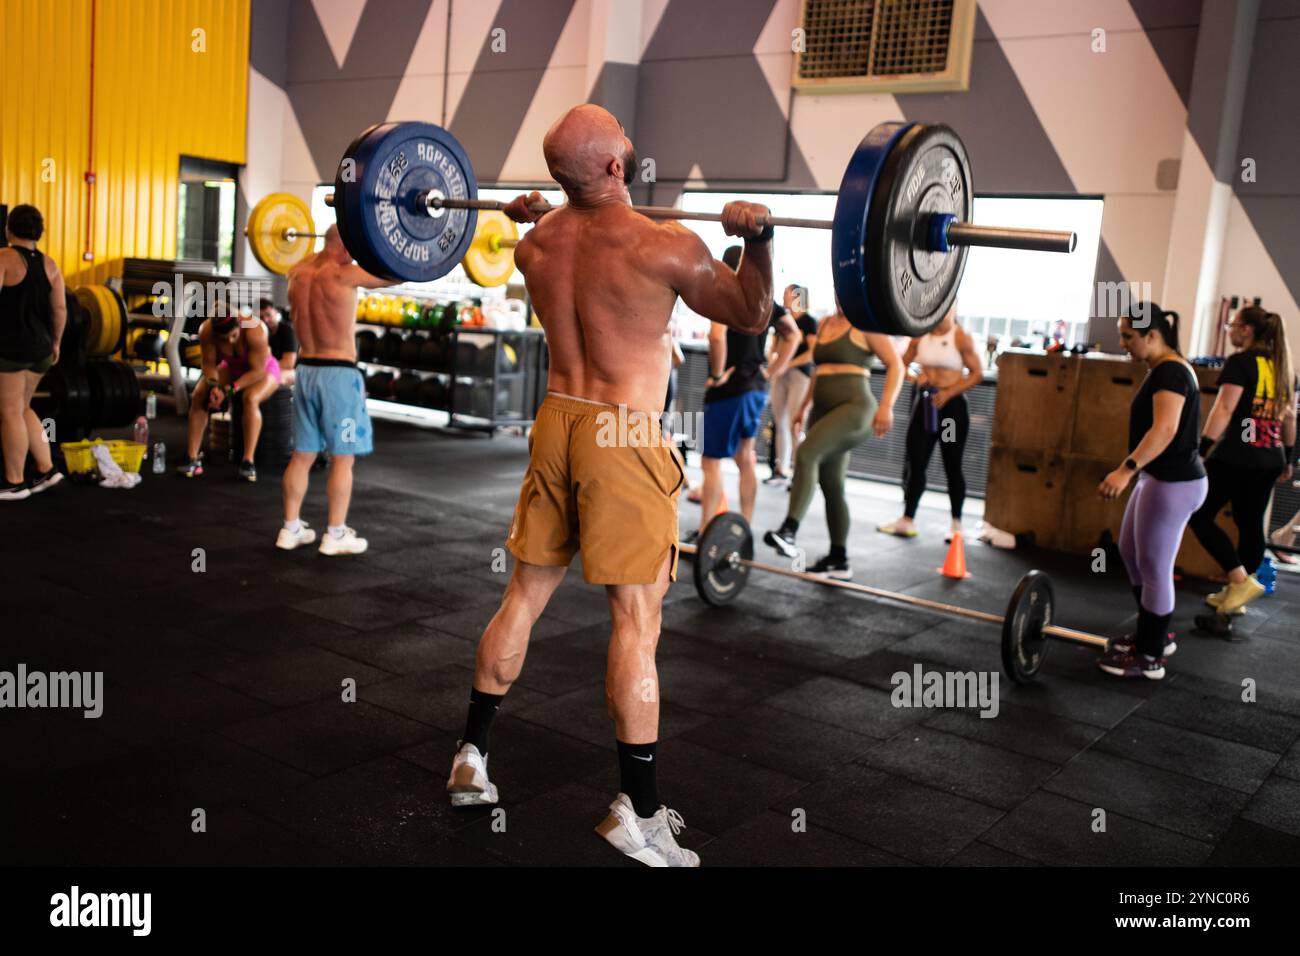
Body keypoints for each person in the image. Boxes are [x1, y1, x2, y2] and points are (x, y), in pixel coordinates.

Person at [445, 104, 773, 867]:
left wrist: (535, 211)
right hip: (624, 431)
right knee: (636, 622)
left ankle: (472, 754)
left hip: (557, 419)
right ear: (618, 169)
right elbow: (754, 311)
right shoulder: (666, 246)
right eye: (624, 142)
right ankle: (641, 812)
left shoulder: (536, 245)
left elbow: (550, 229)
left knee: (523, 594)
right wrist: (759, 239)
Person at [1096, 303, 1206, 680]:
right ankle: (1154, 634)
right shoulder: (1162, 369)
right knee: (1131, 553)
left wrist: (1125, 470)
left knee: (1156, 567)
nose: (1123, 343)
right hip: (1157, 478)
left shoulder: (1172, 372)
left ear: (1152, 336)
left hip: (1173, 482)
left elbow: (1165, 430)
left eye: (1128, 336)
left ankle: (1150, 657)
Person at [763, 304, 904, 578]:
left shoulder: (866, 322)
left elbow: (896, 365)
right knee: (832, 486)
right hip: (821, 410)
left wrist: (887, 405)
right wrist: (804, 407)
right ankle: (839, 559)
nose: (842, 297)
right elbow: (818, 370)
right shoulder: (825, 322)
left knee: (805, 454)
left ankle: (789, 530)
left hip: (855, 408)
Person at [278, 226, 388, 555]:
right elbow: (398, 276)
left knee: (302, 455)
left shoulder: (296, 272)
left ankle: (290, 528)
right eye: (354, 245)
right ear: (342, 243)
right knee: (343, 458)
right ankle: (336, 534)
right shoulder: (344, 274)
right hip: (338, 377)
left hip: (306, 371)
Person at [1189, 305, 1296, 613]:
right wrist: (1287, 458)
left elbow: (1224, 409)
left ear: (1247, 329)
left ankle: (1239, 583)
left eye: (1233, 325)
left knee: (1199, 514)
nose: (1231, 330)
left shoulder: (1241, 363)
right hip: (1270, 459)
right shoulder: (1283, 367)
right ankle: (1239, 592)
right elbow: (1289, 421)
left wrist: (1202, 449)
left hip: (1237, 457)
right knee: (1249, 524)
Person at [692, 246, 798, 538]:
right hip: (755, 388)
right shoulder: (765, 301)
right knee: (744, 456)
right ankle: (744, 527)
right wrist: (770, 371)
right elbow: (793, 334)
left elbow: (716, 336)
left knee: (711, 461)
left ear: (725, 268)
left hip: (729, 389)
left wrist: (716, 375)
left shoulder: (721, 297)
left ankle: (705, 531)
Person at [878, 305, 984, 541]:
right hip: (926, 406)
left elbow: (977, 372)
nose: (940, 312)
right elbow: (899, 364)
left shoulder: (960, 337)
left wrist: (950, 392)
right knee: (916, 461)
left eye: (946, 309)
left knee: (951, 463)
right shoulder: (920, 336)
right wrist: (916, 377)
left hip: (951, 410)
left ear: (953, 308)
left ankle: (956, 524)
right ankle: (907, 519)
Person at [0, 205, 65, 500]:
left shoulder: (4, 257)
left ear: (9, 229)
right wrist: (56, 343)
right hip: (40, 350)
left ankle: (14, 482)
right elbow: (60, 309)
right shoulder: (50, 265)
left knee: (10, 411)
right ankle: (46, 468)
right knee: (23, 407)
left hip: (12, 349)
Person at [176, 309, 281, 482]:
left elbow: (257, 372)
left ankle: (248, 462)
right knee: (199, 395)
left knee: (250, 398)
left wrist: (228, 390)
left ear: (239, 324)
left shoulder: (256, 330)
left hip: (262, 370)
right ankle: (192, 458)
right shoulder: (207, 330)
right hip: (231, 367)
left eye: (233, 336)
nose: (230, 341)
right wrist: (213, 386)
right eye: (224, 340)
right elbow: (209, 363)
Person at [764, 284, 817, 486]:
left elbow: (812, 352)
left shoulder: (809, 322)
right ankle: (780, 469)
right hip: (781, 375)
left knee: (796, 423)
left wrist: (789, 363)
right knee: (780, 422)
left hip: (800, 375)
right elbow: (774, 346)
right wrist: (775, 364)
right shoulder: (783, 320)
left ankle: (799, 472)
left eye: (787, 294)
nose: (784, 298)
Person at [259, 298, 298, 387]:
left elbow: (289, 363)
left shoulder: (287, 331)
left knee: (269, 378)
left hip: (292, 372)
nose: (265, 320)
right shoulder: (258, 333)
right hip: (268, 369)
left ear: (275, 312)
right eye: (261, 317)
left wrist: (261, 369)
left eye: (268, 315)